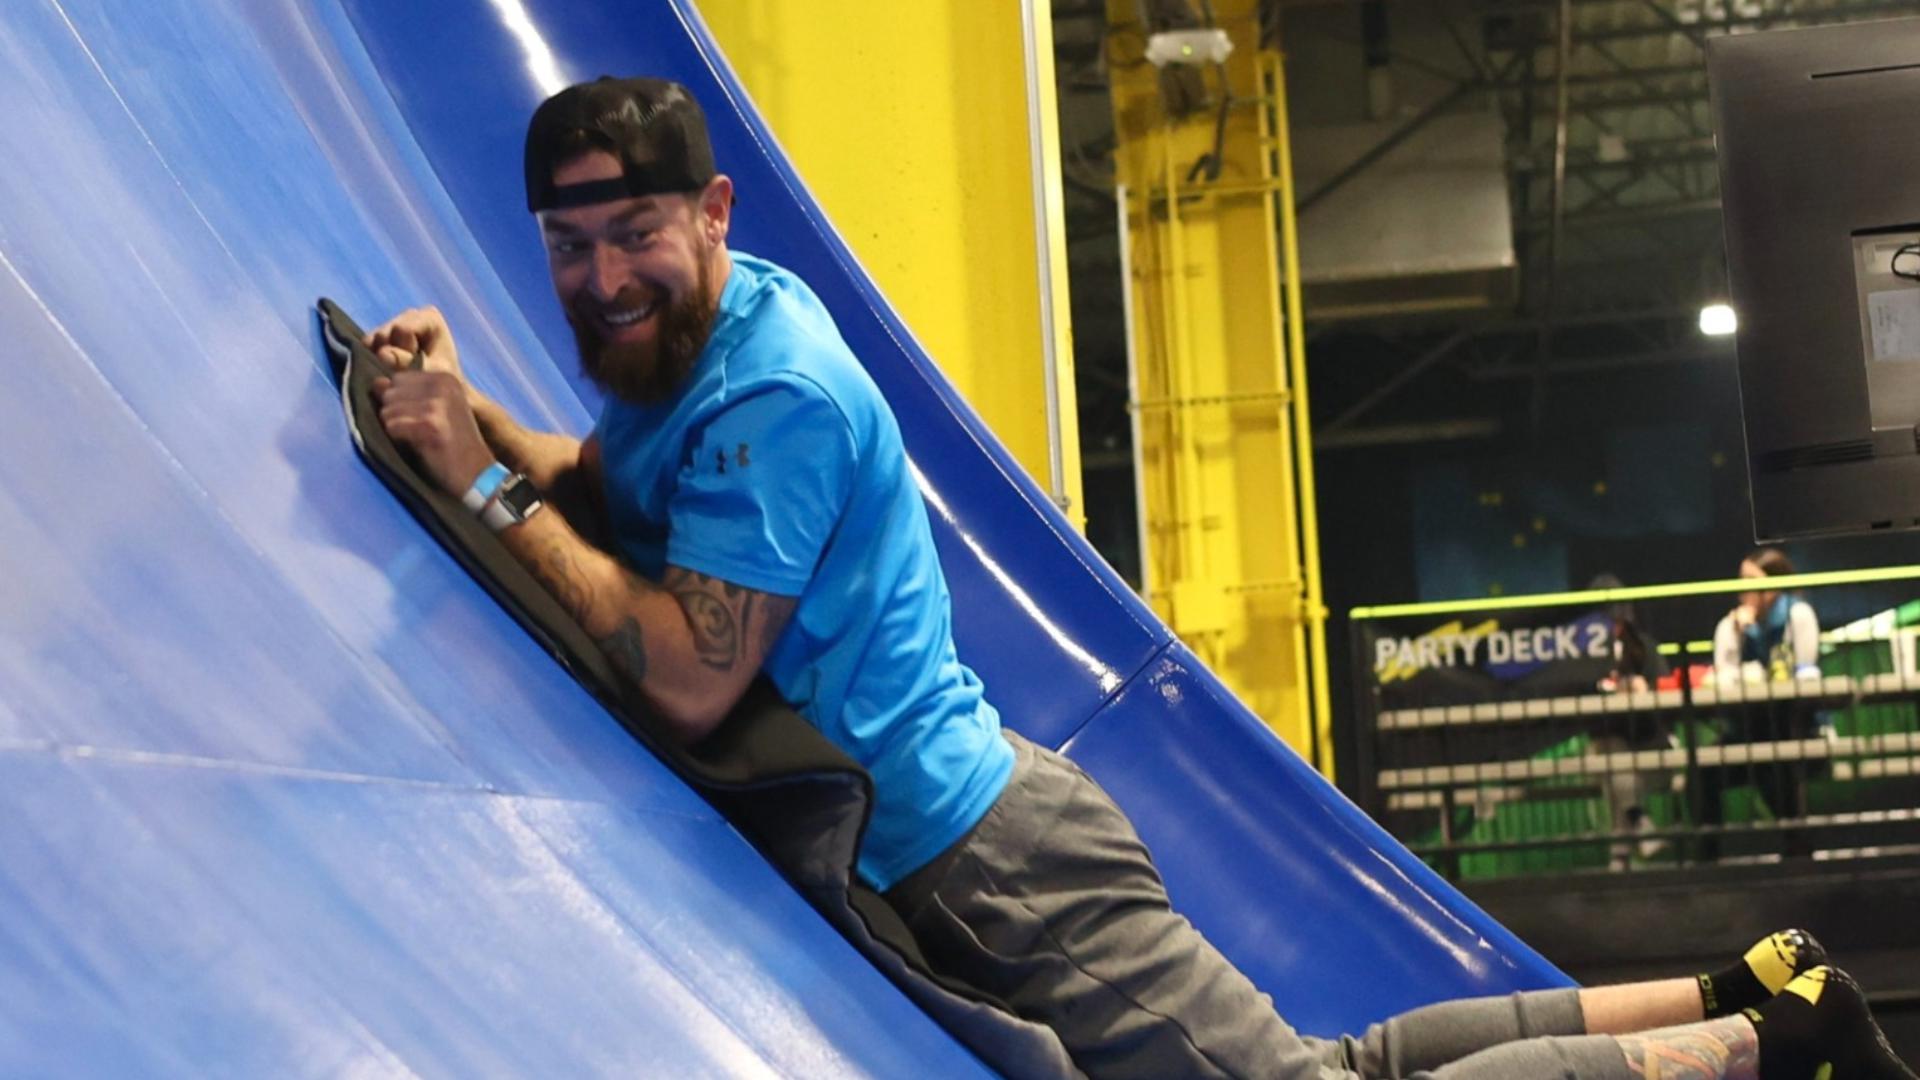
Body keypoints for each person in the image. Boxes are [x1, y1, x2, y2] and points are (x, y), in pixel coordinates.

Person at [364, 76, 1914, 1080]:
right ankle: (1742, 988)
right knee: (1345, 1067)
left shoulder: (774, 394)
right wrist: (480, 412)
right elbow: (628, 486)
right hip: (997, 820)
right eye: (568, 249)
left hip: (982, 861)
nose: (603, 279)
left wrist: (482, 486)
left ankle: (1758, 1064)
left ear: (710, 213)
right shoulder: (713, 329)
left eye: (632, 233)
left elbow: (691, 665)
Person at [1701, 549, 1824, 852]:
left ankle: (1796, 842)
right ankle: (1708, 851)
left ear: (1774, 585)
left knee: (1773, 755)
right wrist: (1739, 634)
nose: (1743, 589)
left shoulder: (1798, 615)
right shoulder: (1729, 626)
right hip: (1744, 728)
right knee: (1703, 768)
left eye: (1751, 581)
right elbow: (1724, 676)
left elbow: (1806, 671)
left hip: (1794, 725)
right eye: (1740, 581)